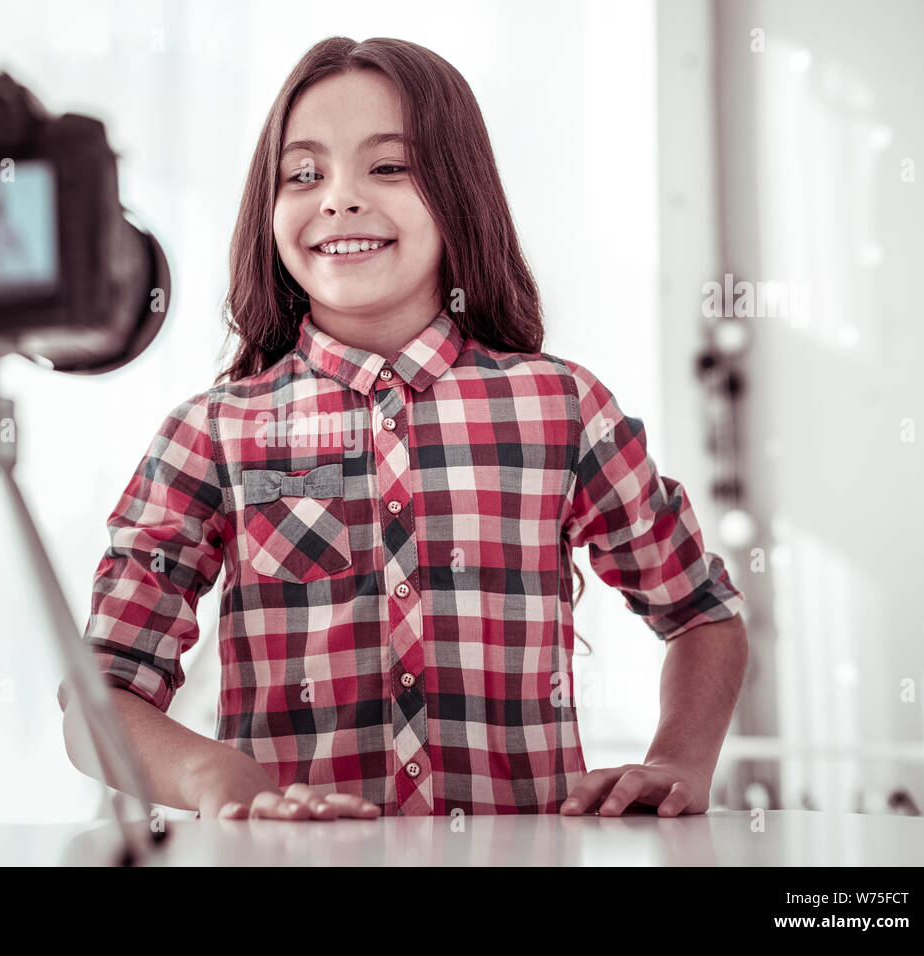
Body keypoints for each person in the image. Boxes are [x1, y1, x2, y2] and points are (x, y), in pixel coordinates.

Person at [60, 36, 747, 821]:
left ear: (460, 191)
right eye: (303, 174)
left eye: (388, 166)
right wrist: (215, 779)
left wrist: (678, 763)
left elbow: (702, 614)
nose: (339, 198)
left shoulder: (563, 406)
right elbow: (98, 697)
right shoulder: (211, 432)